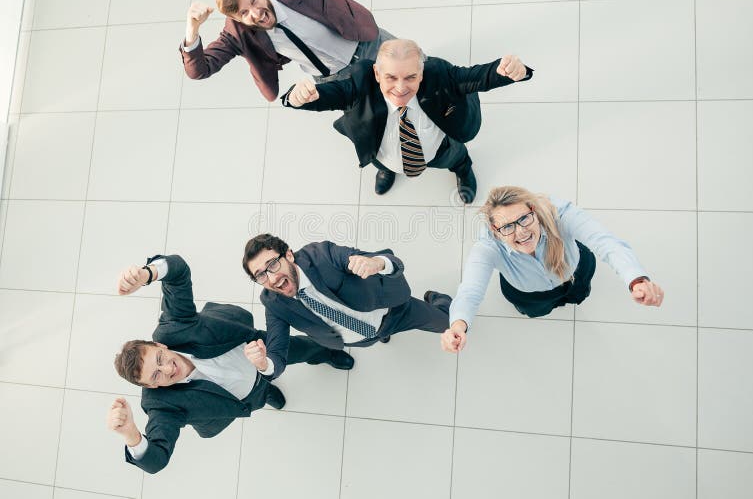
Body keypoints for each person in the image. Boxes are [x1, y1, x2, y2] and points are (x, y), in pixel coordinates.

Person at [106, 254, 353, 474]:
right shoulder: (160, 406)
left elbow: (179, 271)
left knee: (301, 348)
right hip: (238, 399)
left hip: (251, 345)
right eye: (156, 376)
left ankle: (326, 353)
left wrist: (146, 274)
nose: (168, 369)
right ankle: (265, 392)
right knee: (256, 396)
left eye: (160, 360)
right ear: (152, 387)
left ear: (160, 346)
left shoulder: (173, 328)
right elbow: (156, 461)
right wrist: (131, 435)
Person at [281, 39, 533, 203]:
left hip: (439, 148)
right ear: (377, 73)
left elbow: (479, 76)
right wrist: (296, 96)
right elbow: (327, 95)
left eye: (410, 77)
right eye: (390, 78)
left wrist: (512, 72)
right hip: (382, 150)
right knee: (385, 162)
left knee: (455, 158)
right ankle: (387, 170)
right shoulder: (360, 83)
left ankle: (463, 171)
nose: (400, 89)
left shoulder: (438, 74)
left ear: (421, 72)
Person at [180, 0, 428, 101]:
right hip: (335, 78)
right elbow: (199, 71)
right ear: (235, 17)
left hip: (367, 42)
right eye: (244, 13)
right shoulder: (236, 35)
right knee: (375, 116)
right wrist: (192, 30)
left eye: (254, 1)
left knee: (422, 73)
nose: (256, 14)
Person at [440, 186, 665, 352]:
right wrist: (458, 326)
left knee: (579, 295)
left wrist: (636, 280)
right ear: (494, 229)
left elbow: (605, 242)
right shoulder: (487, 247)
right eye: (507, 227)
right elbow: (470, 291)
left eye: (524, 219)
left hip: (576, 273)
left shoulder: (560, 213)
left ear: (533, 210)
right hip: (529, 295)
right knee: (538, 310)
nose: (520, 233)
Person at [242, 234, 452, 373]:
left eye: (272, 264)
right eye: (260, 275)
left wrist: (376, 263)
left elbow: (387, 260)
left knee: (447, 323)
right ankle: (382, 334)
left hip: (394, 310)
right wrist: (264, 364)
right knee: (376, 336)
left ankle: (435, 299)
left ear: (289, 255)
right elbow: (277, 352)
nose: (271, 278)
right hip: (359, 338)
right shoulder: (272, 302)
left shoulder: (321, 255)